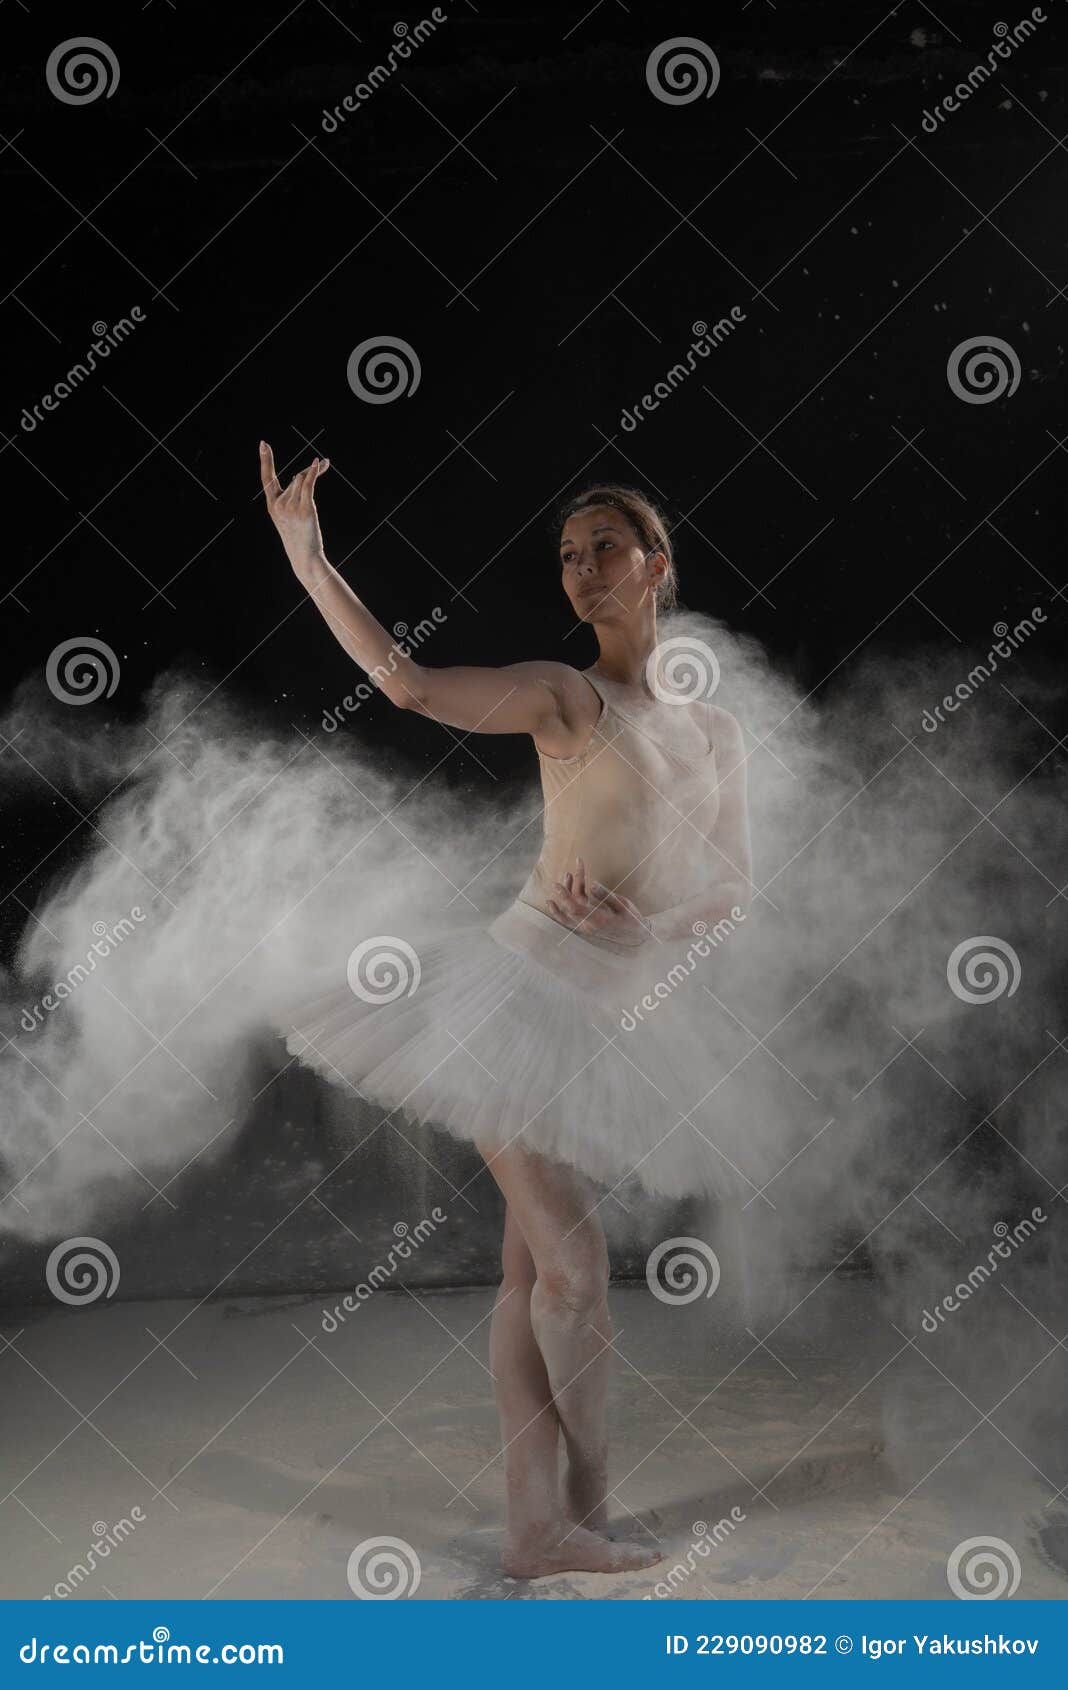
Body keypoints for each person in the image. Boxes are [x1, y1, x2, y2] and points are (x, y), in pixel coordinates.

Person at [259, 442, 755, 1579]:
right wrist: (311, 561)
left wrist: (650, 932)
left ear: (657, 564)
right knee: (577, 1272)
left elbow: (734, 886)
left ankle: (547, 1520)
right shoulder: (564, 694)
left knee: (531, 1275)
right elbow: (407, 683)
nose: (581, 571)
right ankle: (576, 1515)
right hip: (515, 999)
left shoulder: (715, 732)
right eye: (568, 556)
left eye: (604, 549)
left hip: (609, 1016)